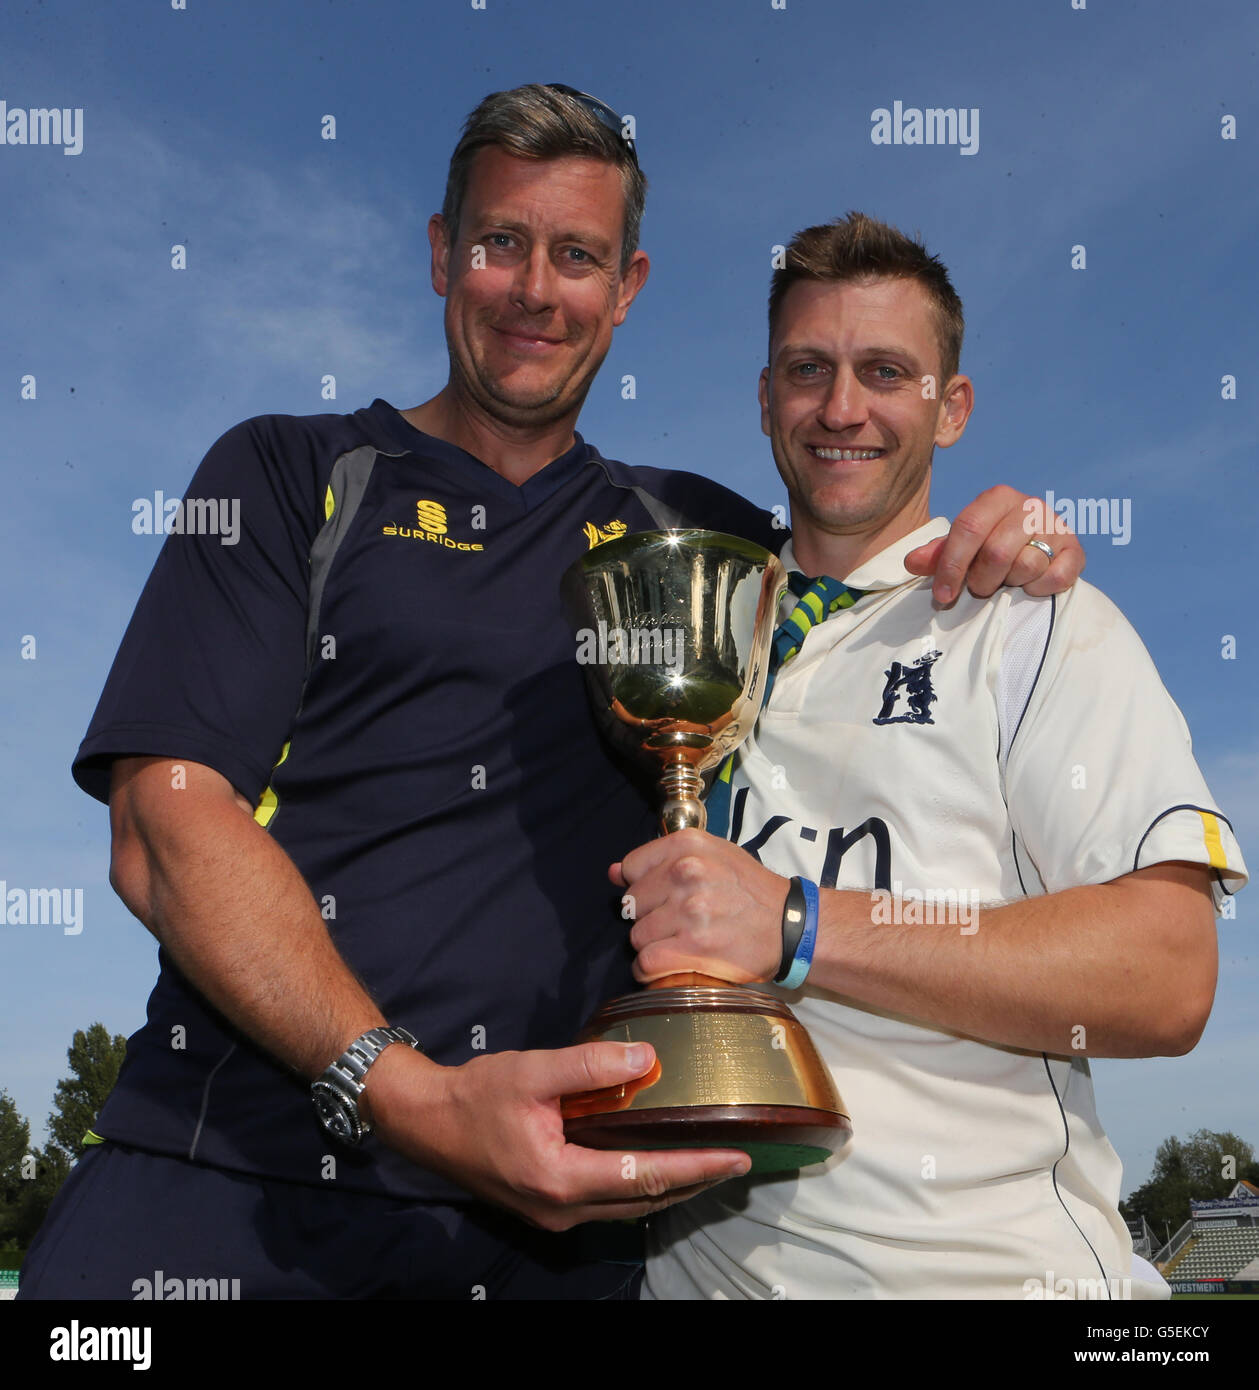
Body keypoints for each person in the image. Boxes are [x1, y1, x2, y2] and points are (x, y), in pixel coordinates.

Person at [21, 92, 1083, 1301]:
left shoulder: (710, 544)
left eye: (575, 254)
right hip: (221, 1189)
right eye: (499, 243)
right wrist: (410, 1095)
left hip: (561, 1223)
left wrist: (998, 535)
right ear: (438, 252)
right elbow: (163, 827)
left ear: (625, 286)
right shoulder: (287, 471)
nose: (536, 288)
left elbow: (872, 545)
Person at [620, 211, 1248, 1301]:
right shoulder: (684, 634)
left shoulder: (1032, 619)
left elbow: (1167, 974)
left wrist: (795, 921)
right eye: (806, 369)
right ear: (764, 398)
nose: (841, 407)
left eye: (885, 372)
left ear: (947, 406)